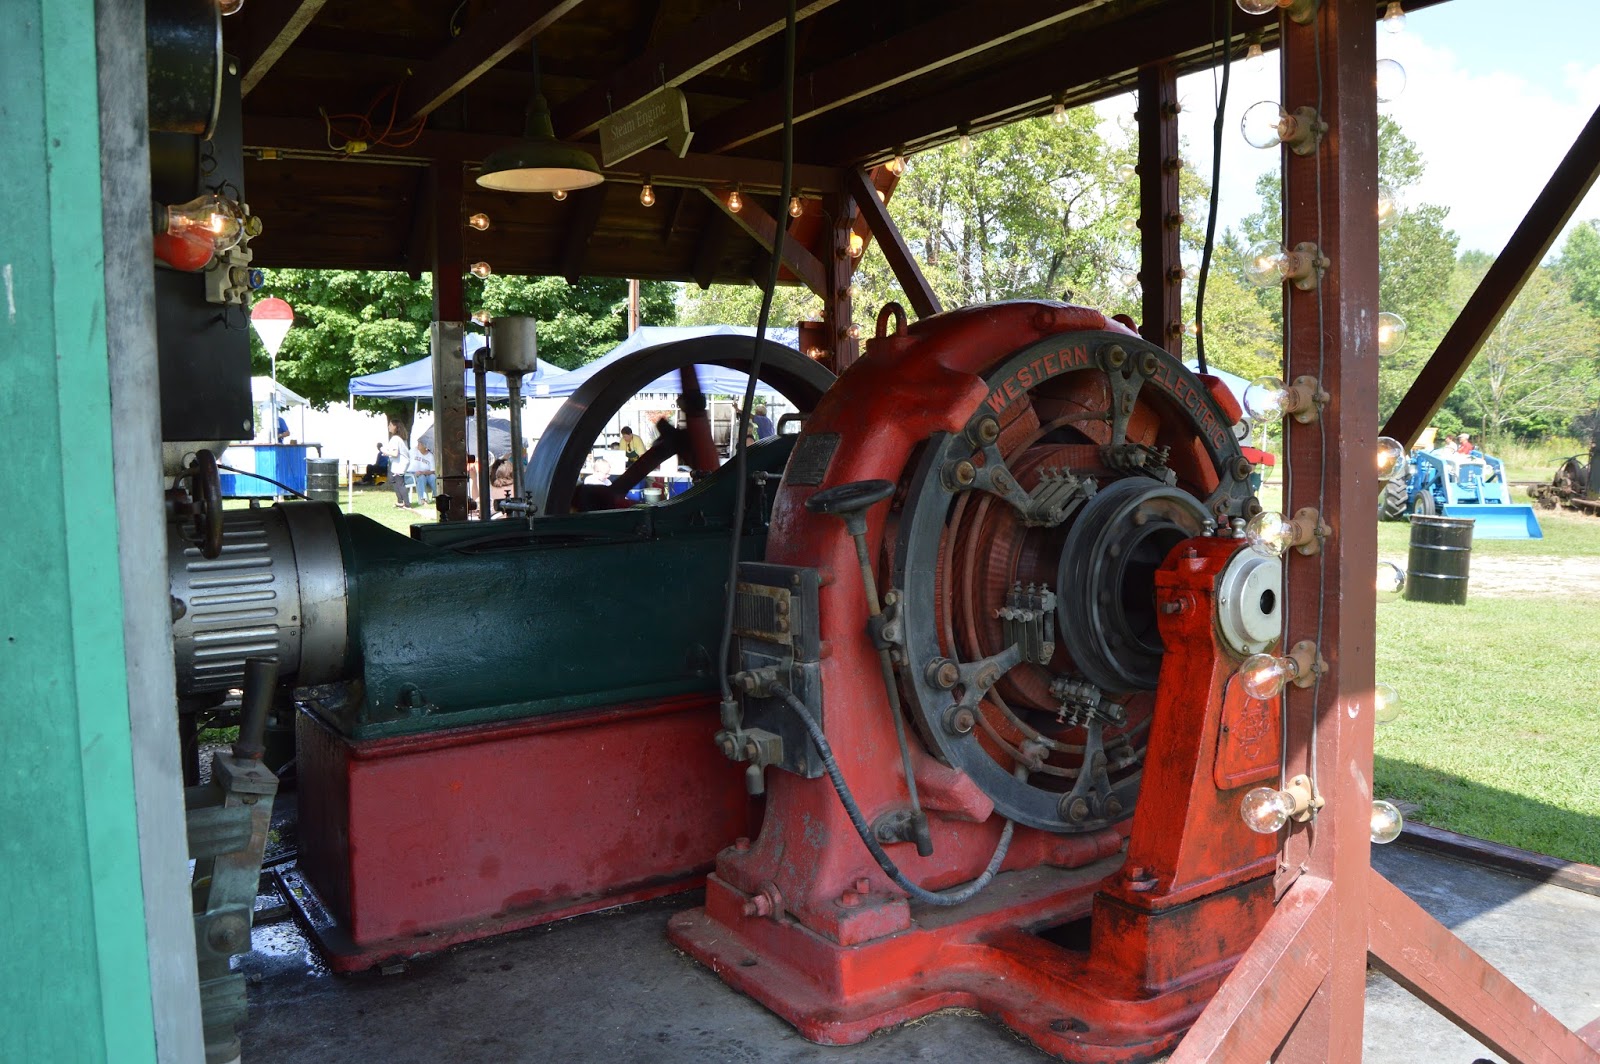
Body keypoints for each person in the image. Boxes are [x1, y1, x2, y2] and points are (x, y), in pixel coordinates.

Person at [384, 421, 412, 508]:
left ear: (395, 427)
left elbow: (395, 453)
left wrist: (385, 451)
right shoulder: (402, 438)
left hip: (399, 464)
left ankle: (406, 504)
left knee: (400, 483)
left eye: (390, 425)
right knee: (394, 480)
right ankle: (401, 501)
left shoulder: (395, 438)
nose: (389, 426)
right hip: (401, 463)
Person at [411, 440, 436, 504]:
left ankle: (437, 496)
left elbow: (433, 471)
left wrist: (423, 472)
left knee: (433, 477)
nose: (418, 444)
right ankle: (423, 499)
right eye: (418, 443)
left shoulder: (430, 456)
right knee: (421, 477)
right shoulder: (414, 451)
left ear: (425, 446)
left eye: (421, 443)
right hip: (415, 474)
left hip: (427, 474)